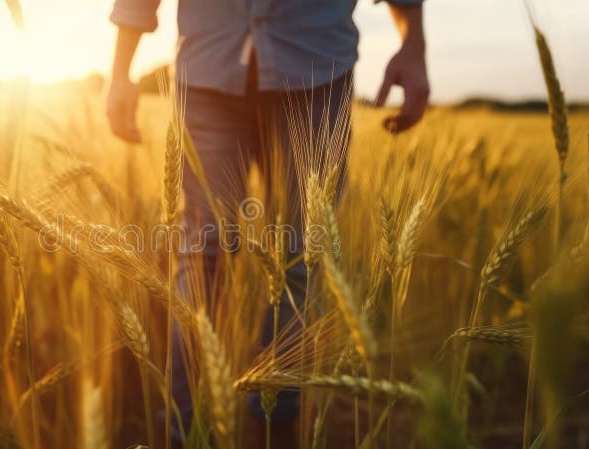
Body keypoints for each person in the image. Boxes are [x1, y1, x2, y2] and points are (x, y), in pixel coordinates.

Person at [105, 0, 429, 447]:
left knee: (300, 259)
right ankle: (183, 433)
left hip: (317, 70)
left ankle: (276, 428)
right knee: (201, 261)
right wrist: (120, 68)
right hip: (207, 69)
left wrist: (414, 44)